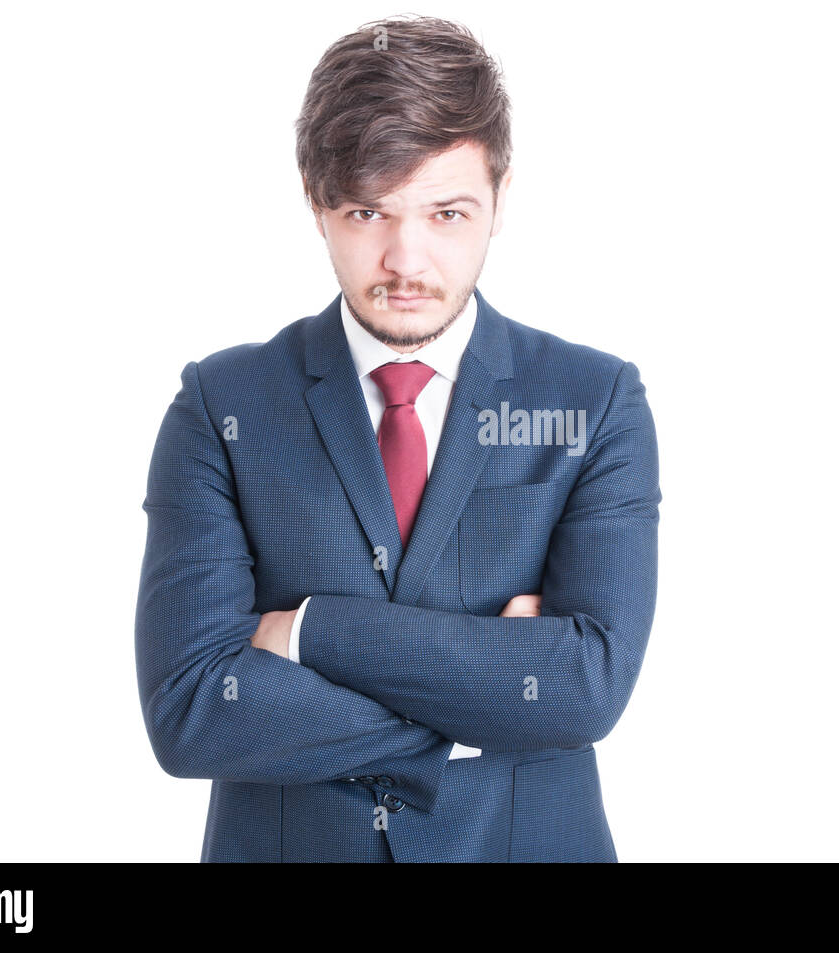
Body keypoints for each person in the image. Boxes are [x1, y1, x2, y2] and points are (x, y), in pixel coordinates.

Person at [135, 15, 660, 862]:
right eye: (368, 211)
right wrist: (475, 711)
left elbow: (586, 688)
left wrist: (309, 634)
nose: (406, 260)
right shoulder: (220, 406)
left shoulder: (596, 402)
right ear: (316, 203)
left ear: (501, 199)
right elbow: (193, 708)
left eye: (448, 213)